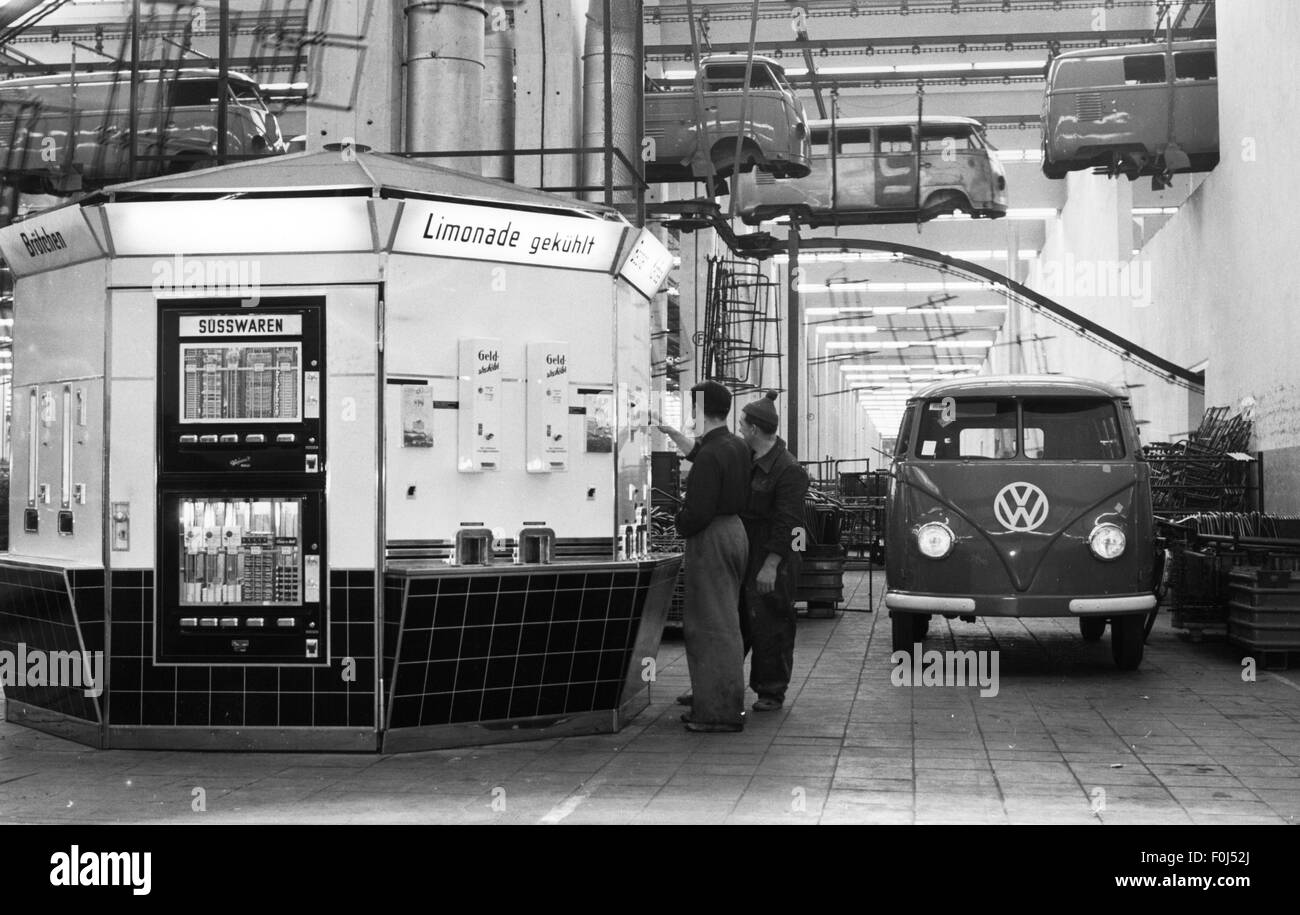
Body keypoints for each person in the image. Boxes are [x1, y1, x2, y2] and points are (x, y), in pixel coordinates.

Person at [658, 381, 750, 733]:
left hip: (710, 536)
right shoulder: (735, 446)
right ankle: (719, 701)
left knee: (709, 625)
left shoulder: (712, 455)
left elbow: (696, 512)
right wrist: (675, 437)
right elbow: (704, 453)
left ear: (699, 410)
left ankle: (716, 712)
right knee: (725, 621)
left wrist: (679, 524)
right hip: (735, 532)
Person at [737, 391, 810, 712]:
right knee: (737, 621)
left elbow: (789, 524)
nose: (739, 429)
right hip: (746, 553)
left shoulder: (788, 469)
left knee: (772, 623)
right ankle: (720, 682)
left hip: (774, 557)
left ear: (754, 428)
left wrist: (771, 565)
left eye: (741, 424)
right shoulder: (748, 459)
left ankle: (771, 690)